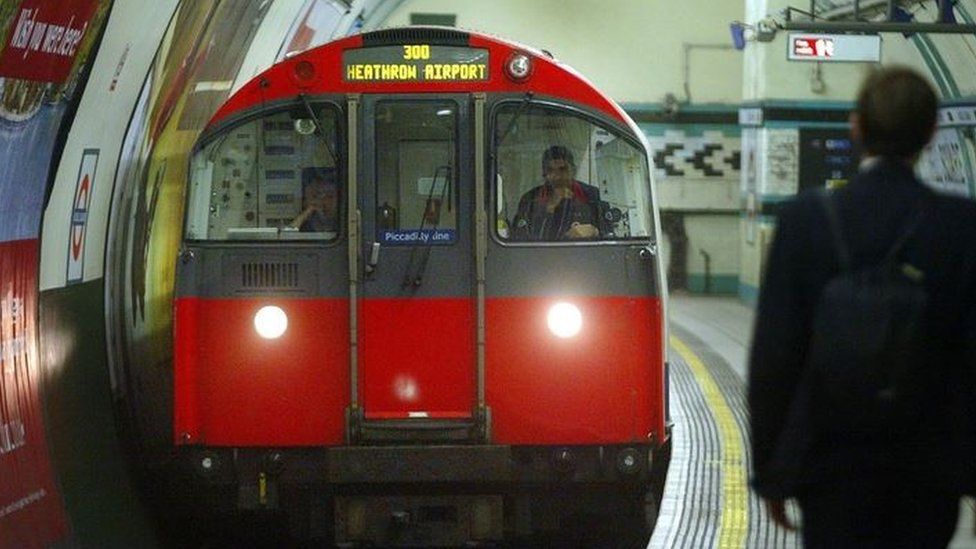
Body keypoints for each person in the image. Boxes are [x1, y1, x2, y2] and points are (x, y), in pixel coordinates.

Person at [748, 66, 976, 548]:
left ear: (856, 128)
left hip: (831, 464)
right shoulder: (959, 227)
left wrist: (771, 470)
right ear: (932, 133)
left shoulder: (805, 221)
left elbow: (775, 356)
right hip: (927, 468)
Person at [511, 145, 606, 240]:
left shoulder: (590, 194)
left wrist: (594, 231)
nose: (557, 176)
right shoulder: (530, 199)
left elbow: (608, 232)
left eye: (563, 169)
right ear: (544, 174)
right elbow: (519, 237)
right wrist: (549, 208)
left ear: (573, 170)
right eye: (550, 170)